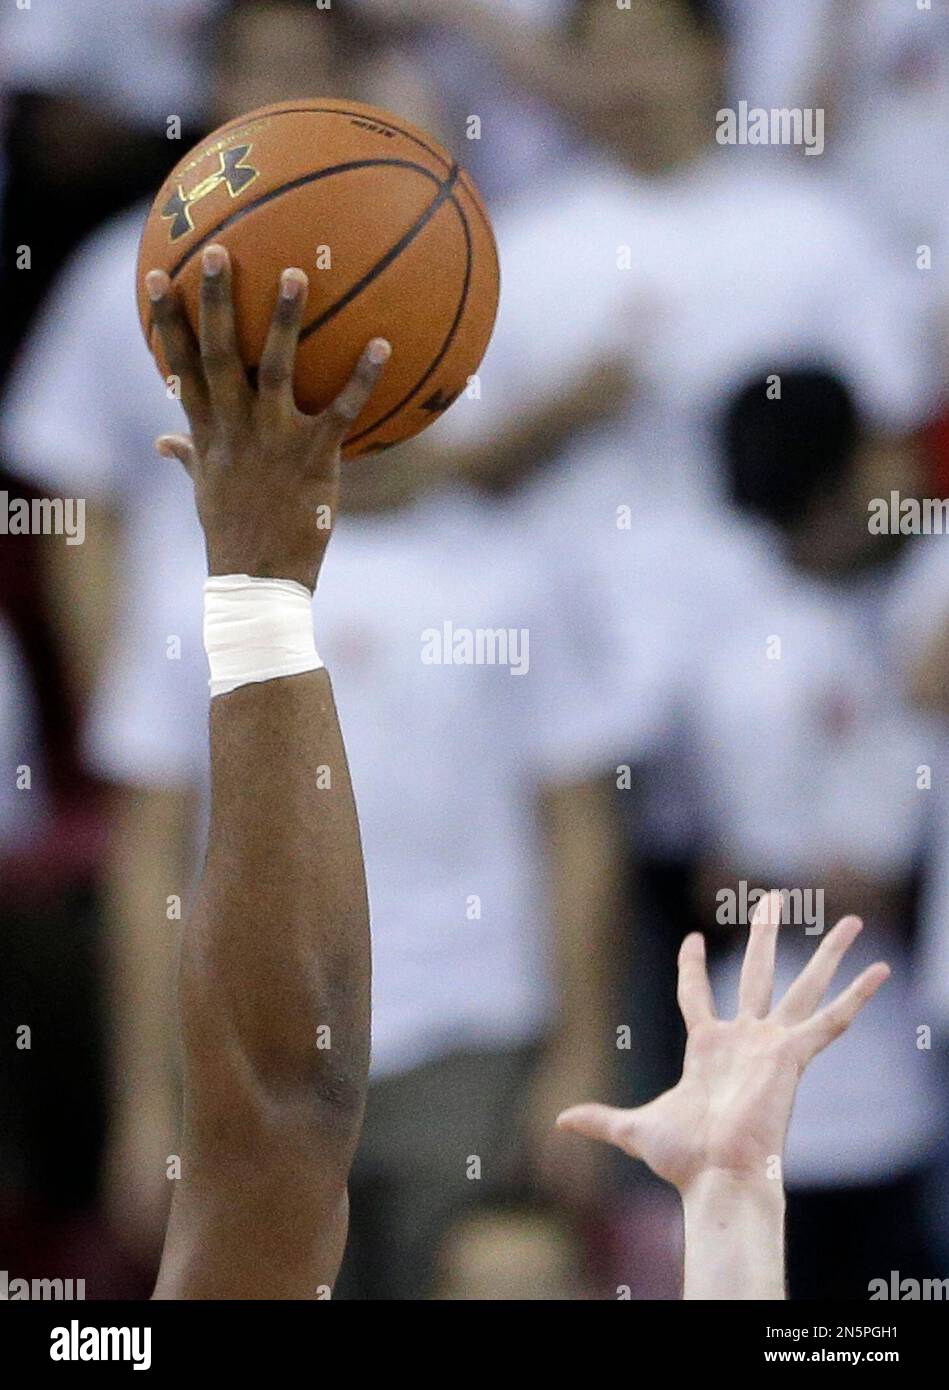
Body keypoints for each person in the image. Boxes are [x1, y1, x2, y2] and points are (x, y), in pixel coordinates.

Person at [144, 247, 891, 1298]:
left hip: (474, 1026)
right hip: (262, 1034)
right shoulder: (187, 587)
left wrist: (582, 1045)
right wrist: (142, 1094)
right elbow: (148, 845)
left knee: (502, 1275)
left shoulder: (509, 570)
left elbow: (578, 820)